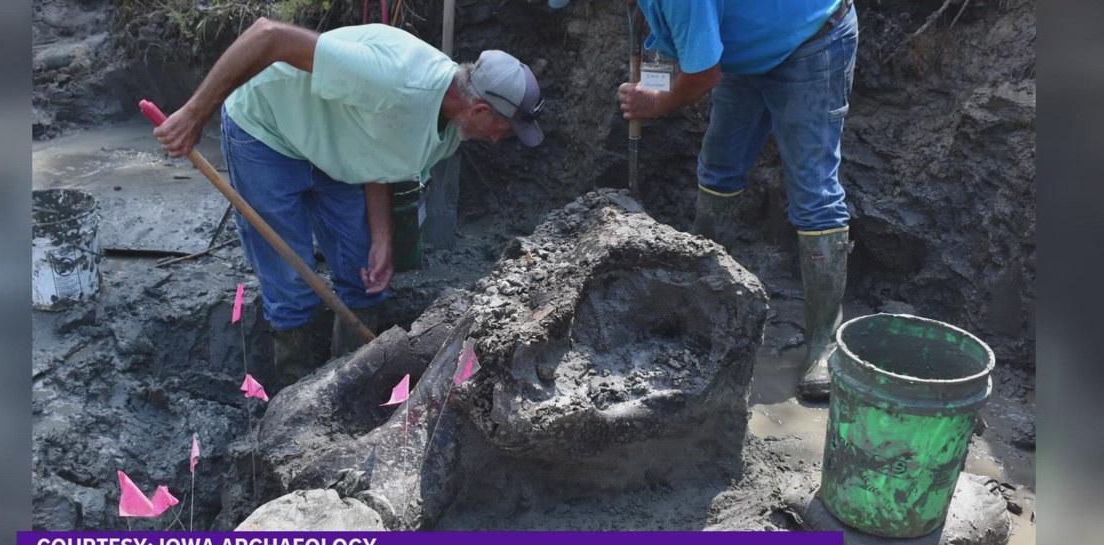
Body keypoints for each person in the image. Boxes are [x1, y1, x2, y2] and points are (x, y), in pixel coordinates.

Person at [154, 18, 545, 387]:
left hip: (335, 146)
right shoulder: (394, 79)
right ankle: (295, 402)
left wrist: (381, 238)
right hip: (268, 133)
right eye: (502, 129)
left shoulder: (447, 125)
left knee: (365, 278)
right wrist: (193, 114)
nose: (498, 140)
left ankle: (347, 387)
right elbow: (268, 35)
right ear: (479, 109)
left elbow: (381, 151)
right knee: (291, 286)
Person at [618, 0, 858, 401]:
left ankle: (825, 343)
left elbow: (704, 73)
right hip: (745, 55)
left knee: (813, 192)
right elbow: (671, 48)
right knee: (718, 169)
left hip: (811, 42)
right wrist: (651, 89)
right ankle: (703, 301)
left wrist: (656, 103)